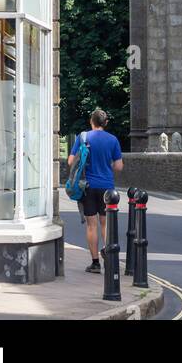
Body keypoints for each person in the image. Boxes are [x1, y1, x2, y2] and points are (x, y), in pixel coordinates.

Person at [67, 108, 124, 273]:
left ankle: (95, 263)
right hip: (108, 188)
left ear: (91, 121)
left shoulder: (83, 137)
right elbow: (119, 166)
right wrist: (108, 166)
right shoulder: (113, 140)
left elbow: (71, 162)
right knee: (105, 223)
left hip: (88, 187)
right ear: (105, 123)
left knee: (92, 225)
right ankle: (108, 256)